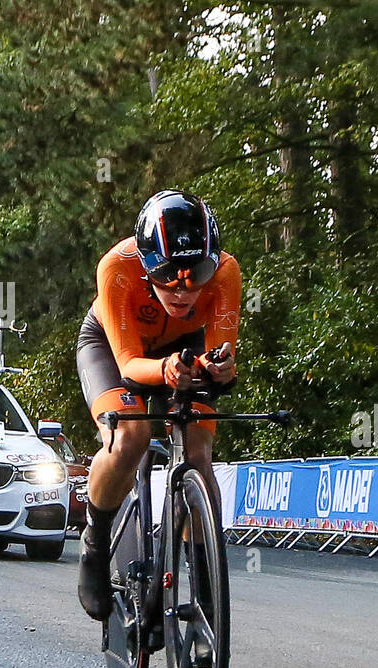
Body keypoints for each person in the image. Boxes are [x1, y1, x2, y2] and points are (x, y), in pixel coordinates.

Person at [75, 190, 240, 621]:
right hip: (114, 349)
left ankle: (206, 594)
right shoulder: (116, 269)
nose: (183, 288)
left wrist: (217, 368)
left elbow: (221, 353)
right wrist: (167, 369)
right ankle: (95, 541)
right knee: (131, 435)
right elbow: (129, 365)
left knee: (199, 458)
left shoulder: (225, 273)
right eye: (168, 273)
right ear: (147, 264)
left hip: (181, 349)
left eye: (197, 272)